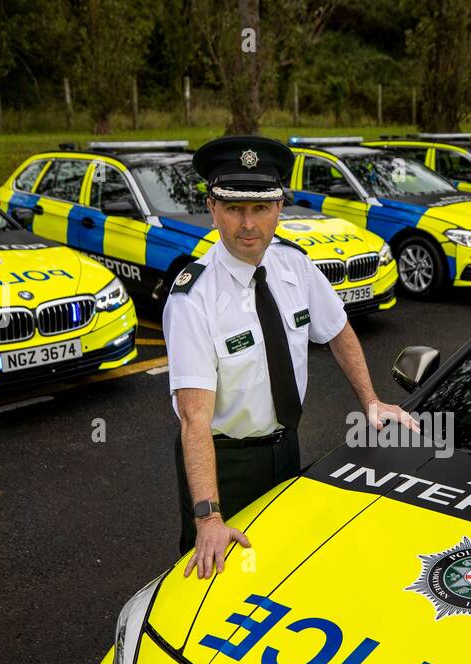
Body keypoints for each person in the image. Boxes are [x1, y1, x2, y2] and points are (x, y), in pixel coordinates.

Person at [163, 134, 416, 578]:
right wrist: (208, 517)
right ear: (212, 208)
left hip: (287, 447)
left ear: (279, 208)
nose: (248, 225)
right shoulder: (192, 297)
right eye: (235, 209)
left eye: (260, 208)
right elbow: (193, 419)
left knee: (281, 566)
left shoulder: (293, 264)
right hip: (226, 464)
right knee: (216, 573)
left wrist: (371, 401)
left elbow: (338, 331)